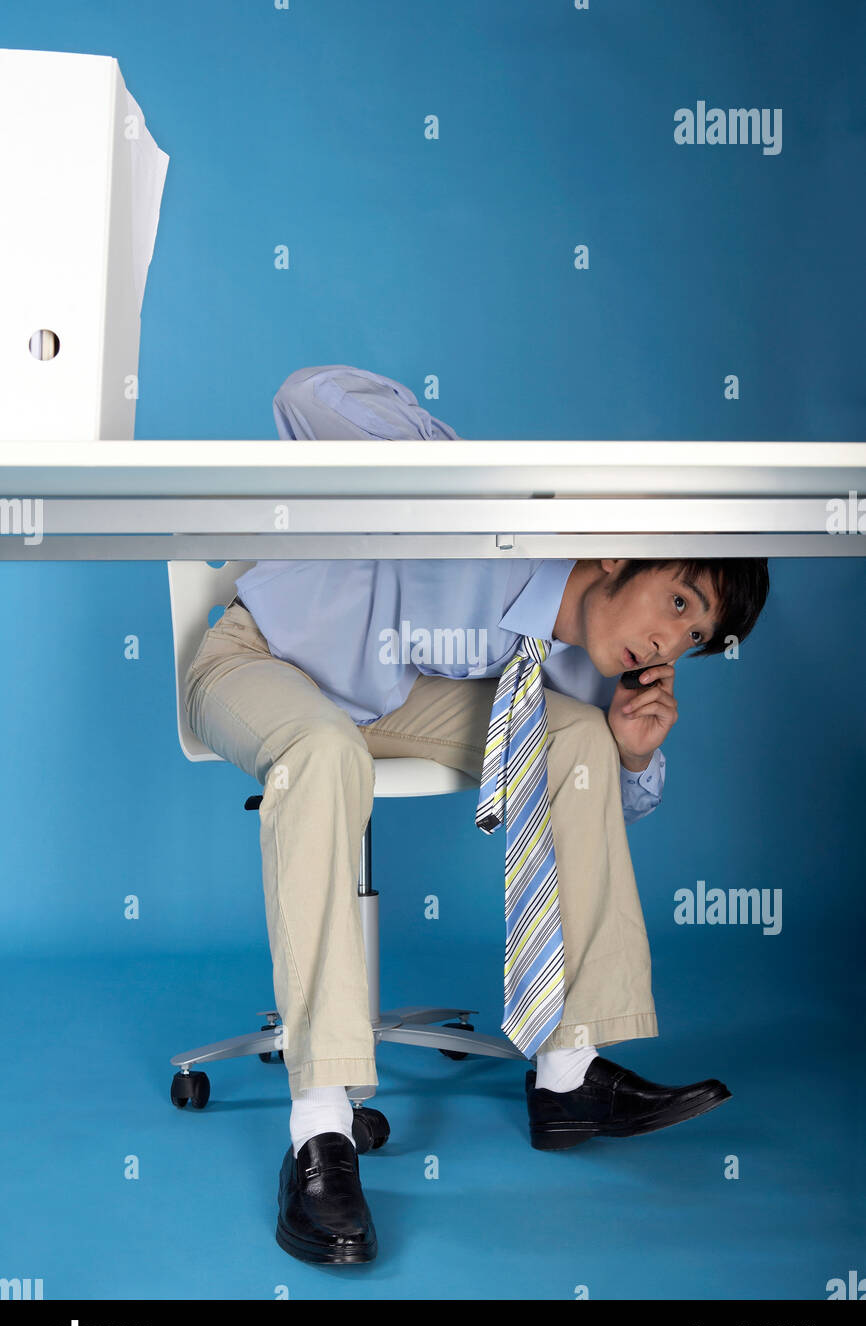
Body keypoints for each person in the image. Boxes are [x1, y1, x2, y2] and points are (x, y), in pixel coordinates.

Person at [183, 365, 770, 1266]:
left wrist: (635, 755)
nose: (671, 641)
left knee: (578, 743)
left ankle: (569, 1077)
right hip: (267, 662)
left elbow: (595, 806)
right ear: (621, 550)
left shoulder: (586, 666)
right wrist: (451, 474)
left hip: (395, 699)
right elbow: (305, 395)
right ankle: (320, 1130)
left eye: (696, 638)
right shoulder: (484, 515)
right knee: (324, 753)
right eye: (680, 602)